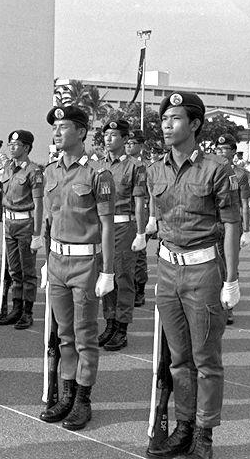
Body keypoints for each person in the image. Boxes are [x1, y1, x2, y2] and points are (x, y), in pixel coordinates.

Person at [145, 92, 240, 459]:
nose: (167, 126)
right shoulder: (155, 169)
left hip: (203, 271)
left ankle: (204, 432)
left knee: (206, 359)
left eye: (175, 119)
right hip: (168, 271)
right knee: (179, 359)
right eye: (164, 119)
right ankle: (183, 426)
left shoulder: (217, 169)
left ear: (195, 124)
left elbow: (232, 224)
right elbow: (159, 219)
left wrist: (231, 278)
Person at [38, 105, 114, 431]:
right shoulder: (51, 171)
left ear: (81, 132)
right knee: (64, 336)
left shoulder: (98, 173)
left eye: (63, 126)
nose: (56, 132)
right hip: (56, 263)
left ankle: (83, 400)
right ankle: (66, 395)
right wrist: (45, 261)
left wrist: (108, 271)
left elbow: (107, 224)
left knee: (85, 337)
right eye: (54, 127)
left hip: (85, 264)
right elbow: (48, 220)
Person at [97, 118, 147, 351]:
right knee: (106, 274)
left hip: (124, 226)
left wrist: (140, 232)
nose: (108, 138)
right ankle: (110, 322)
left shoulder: (135, 166)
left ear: (125, 139)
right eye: (106, 134)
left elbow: (139, 202)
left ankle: (122, 327)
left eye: (114, 135)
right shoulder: (98, 165)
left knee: (123, 277)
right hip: (102, 227)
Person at [0, 130, 44, 330]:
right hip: (9, 224)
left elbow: (38, 203)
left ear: (26, 148)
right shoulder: (7, 168)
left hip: (26, 224)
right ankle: (16, 308)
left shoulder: (34, 171)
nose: (12, 147)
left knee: (28, 271)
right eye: (10, 144)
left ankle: (27, 311)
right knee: (14, 269)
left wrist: (37, 234)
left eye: (16, 144)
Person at [214, 134, 250, 326]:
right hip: (213, 224)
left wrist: (246, 230)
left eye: (225, 149)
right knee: (213, 266)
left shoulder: (240, 174)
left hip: (232, 225)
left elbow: (245, 204)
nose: (221, 152)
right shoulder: (210, 171)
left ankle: (228, 307)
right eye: (218, 149)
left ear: (234, 152)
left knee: (230, 265)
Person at [126, 129, 149, 307]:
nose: (129, 146)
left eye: (132, 143)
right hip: (121, 216)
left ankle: (139, 288)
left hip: (139, 214)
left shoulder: (146, 166)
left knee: (138, 255)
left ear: (141, 146)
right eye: (127, 143)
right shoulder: (121, 164)